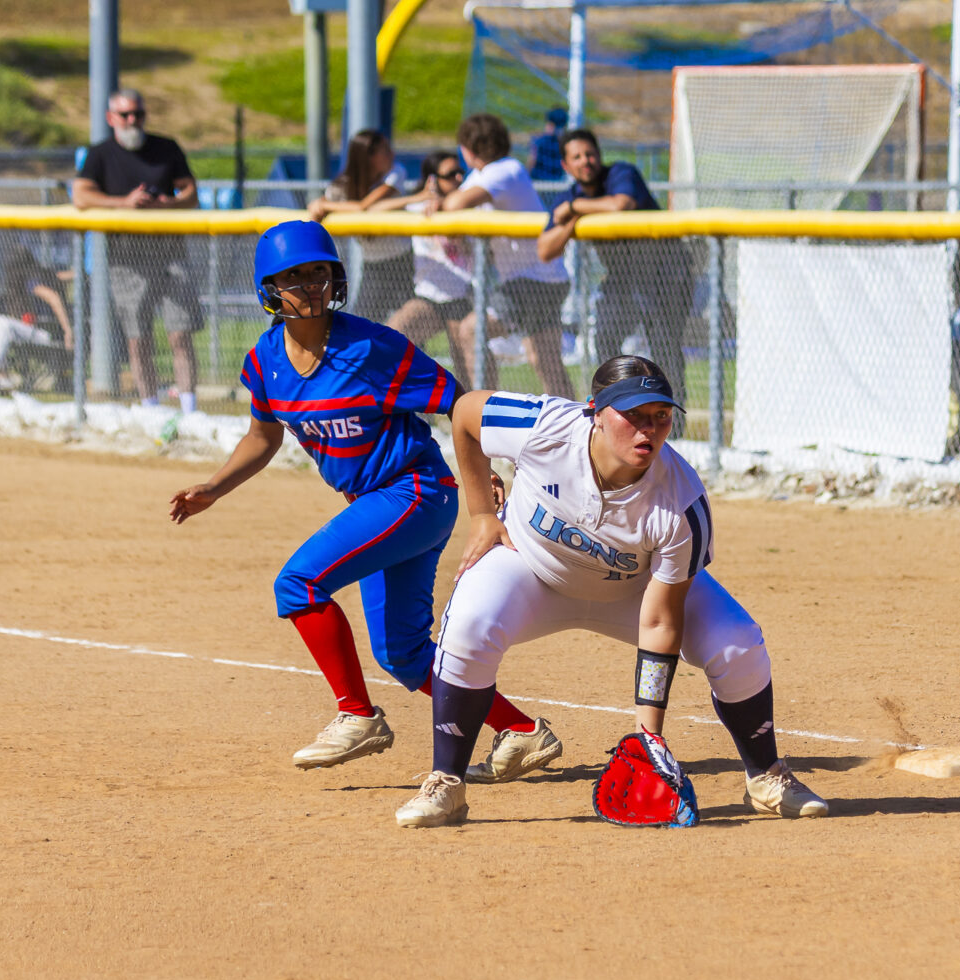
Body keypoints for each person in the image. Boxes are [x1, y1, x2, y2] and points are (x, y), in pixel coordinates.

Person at [169, 220, 561, 775]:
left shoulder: (373, 348)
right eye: (295, 277)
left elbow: (461, 402)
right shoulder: (264, 362)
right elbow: (264, 436)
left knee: (298, 583)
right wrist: (215, 487)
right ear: (268, 290)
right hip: (376, 502)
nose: (310, 286)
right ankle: (522, 731)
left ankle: (357, 715)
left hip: (415, 491)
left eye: (320, 273)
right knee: (404, 654)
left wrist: (489, 469)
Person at [394, 354, 828, 827]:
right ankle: (447, 783)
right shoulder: (544, 426)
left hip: (634, 594)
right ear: (595, 412)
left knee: (739, 642)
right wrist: (481, 513)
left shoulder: (681, 505)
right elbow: (465, 415)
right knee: (468, 625)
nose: (649, 429)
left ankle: (766, 776)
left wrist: (650, 738)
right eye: (634, 415)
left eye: (660, 416)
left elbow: (661, 621)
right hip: (531, 570)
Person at [537, 128, 691, 410]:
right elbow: (545, 249)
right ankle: (619, 408)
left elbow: (622, 204)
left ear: (600, 155)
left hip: (665, 274)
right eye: (577, 157)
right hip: (622, 278)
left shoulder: (621, 173)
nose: (586, 161)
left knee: (664, 347)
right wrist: (573, 221)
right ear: (566, 165)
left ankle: (672, 424)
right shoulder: (569, 195)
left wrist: (575, 207)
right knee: (605, 340)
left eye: (590, 154)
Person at [73, 88, 204, 413]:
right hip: (127, 259)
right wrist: (125, 203)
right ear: (111, 118)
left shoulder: (166, 147)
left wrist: (167, 203)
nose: (133, 121)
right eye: (125, 115)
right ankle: (150, 407)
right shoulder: (100, 154)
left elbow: (190, 192)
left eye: (138, 114)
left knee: (180, 332)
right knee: (138, 337)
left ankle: (189, 407)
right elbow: (81, 195)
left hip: (170, 252)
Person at [438, 113, 574, 399]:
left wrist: (443, 204)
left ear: (468, 149)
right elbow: (450, 224)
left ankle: (489, 412)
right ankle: (575, 422)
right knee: (544, 360)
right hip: (536, 278)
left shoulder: (506, 169)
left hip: (534, 279)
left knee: (471, 331)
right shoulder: (481, 175)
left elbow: (455, 203)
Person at [371, 150, 506, 384]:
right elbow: (374, 212)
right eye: (450, 174)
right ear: (433, 179)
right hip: (429, 298)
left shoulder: (470, 206)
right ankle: (408, 410)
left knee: (469, 372)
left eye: (460, 172)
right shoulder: (419, 208)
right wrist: (418, 197)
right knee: (390, 337)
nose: (457, 178)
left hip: (463, 299)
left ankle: (483, 415)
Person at [308, 129, 414, 322]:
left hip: (403, 261)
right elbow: (321, 203)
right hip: (373, 264)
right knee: (363, 322)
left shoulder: (395, 172)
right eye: (385, 150)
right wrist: (320, 204)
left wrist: (326, 205)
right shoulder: (345, 184)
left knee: (408, 325)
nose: (392, 154)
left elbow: (363, 207)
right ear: (369, 157)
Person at [0, 246, 75, 393]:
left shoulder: (31, 279)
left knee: (4, 325)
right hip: (27, 331)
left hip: (45, 333)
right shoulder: (23, 281)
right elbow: (61, 276)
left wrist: (67, 330)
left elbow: (53, 297)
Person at [526, 108, 568, 183]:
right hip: (558, 183)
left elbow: (532, 161)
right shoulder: (564, 143)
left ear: (550, 123)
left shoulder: (539, 141)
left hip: (539, 183)